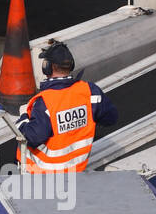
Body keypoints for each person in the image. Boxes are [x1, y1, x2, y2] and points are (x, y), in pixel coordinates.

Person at [16, 42, 118, 172]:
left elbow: (32, 137)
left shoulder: (45, 102)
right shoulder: (90, 91)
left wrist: (23, 117)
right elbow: (111, 118)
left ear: (47, 67)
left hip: (42, 174)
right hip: (77, 169)